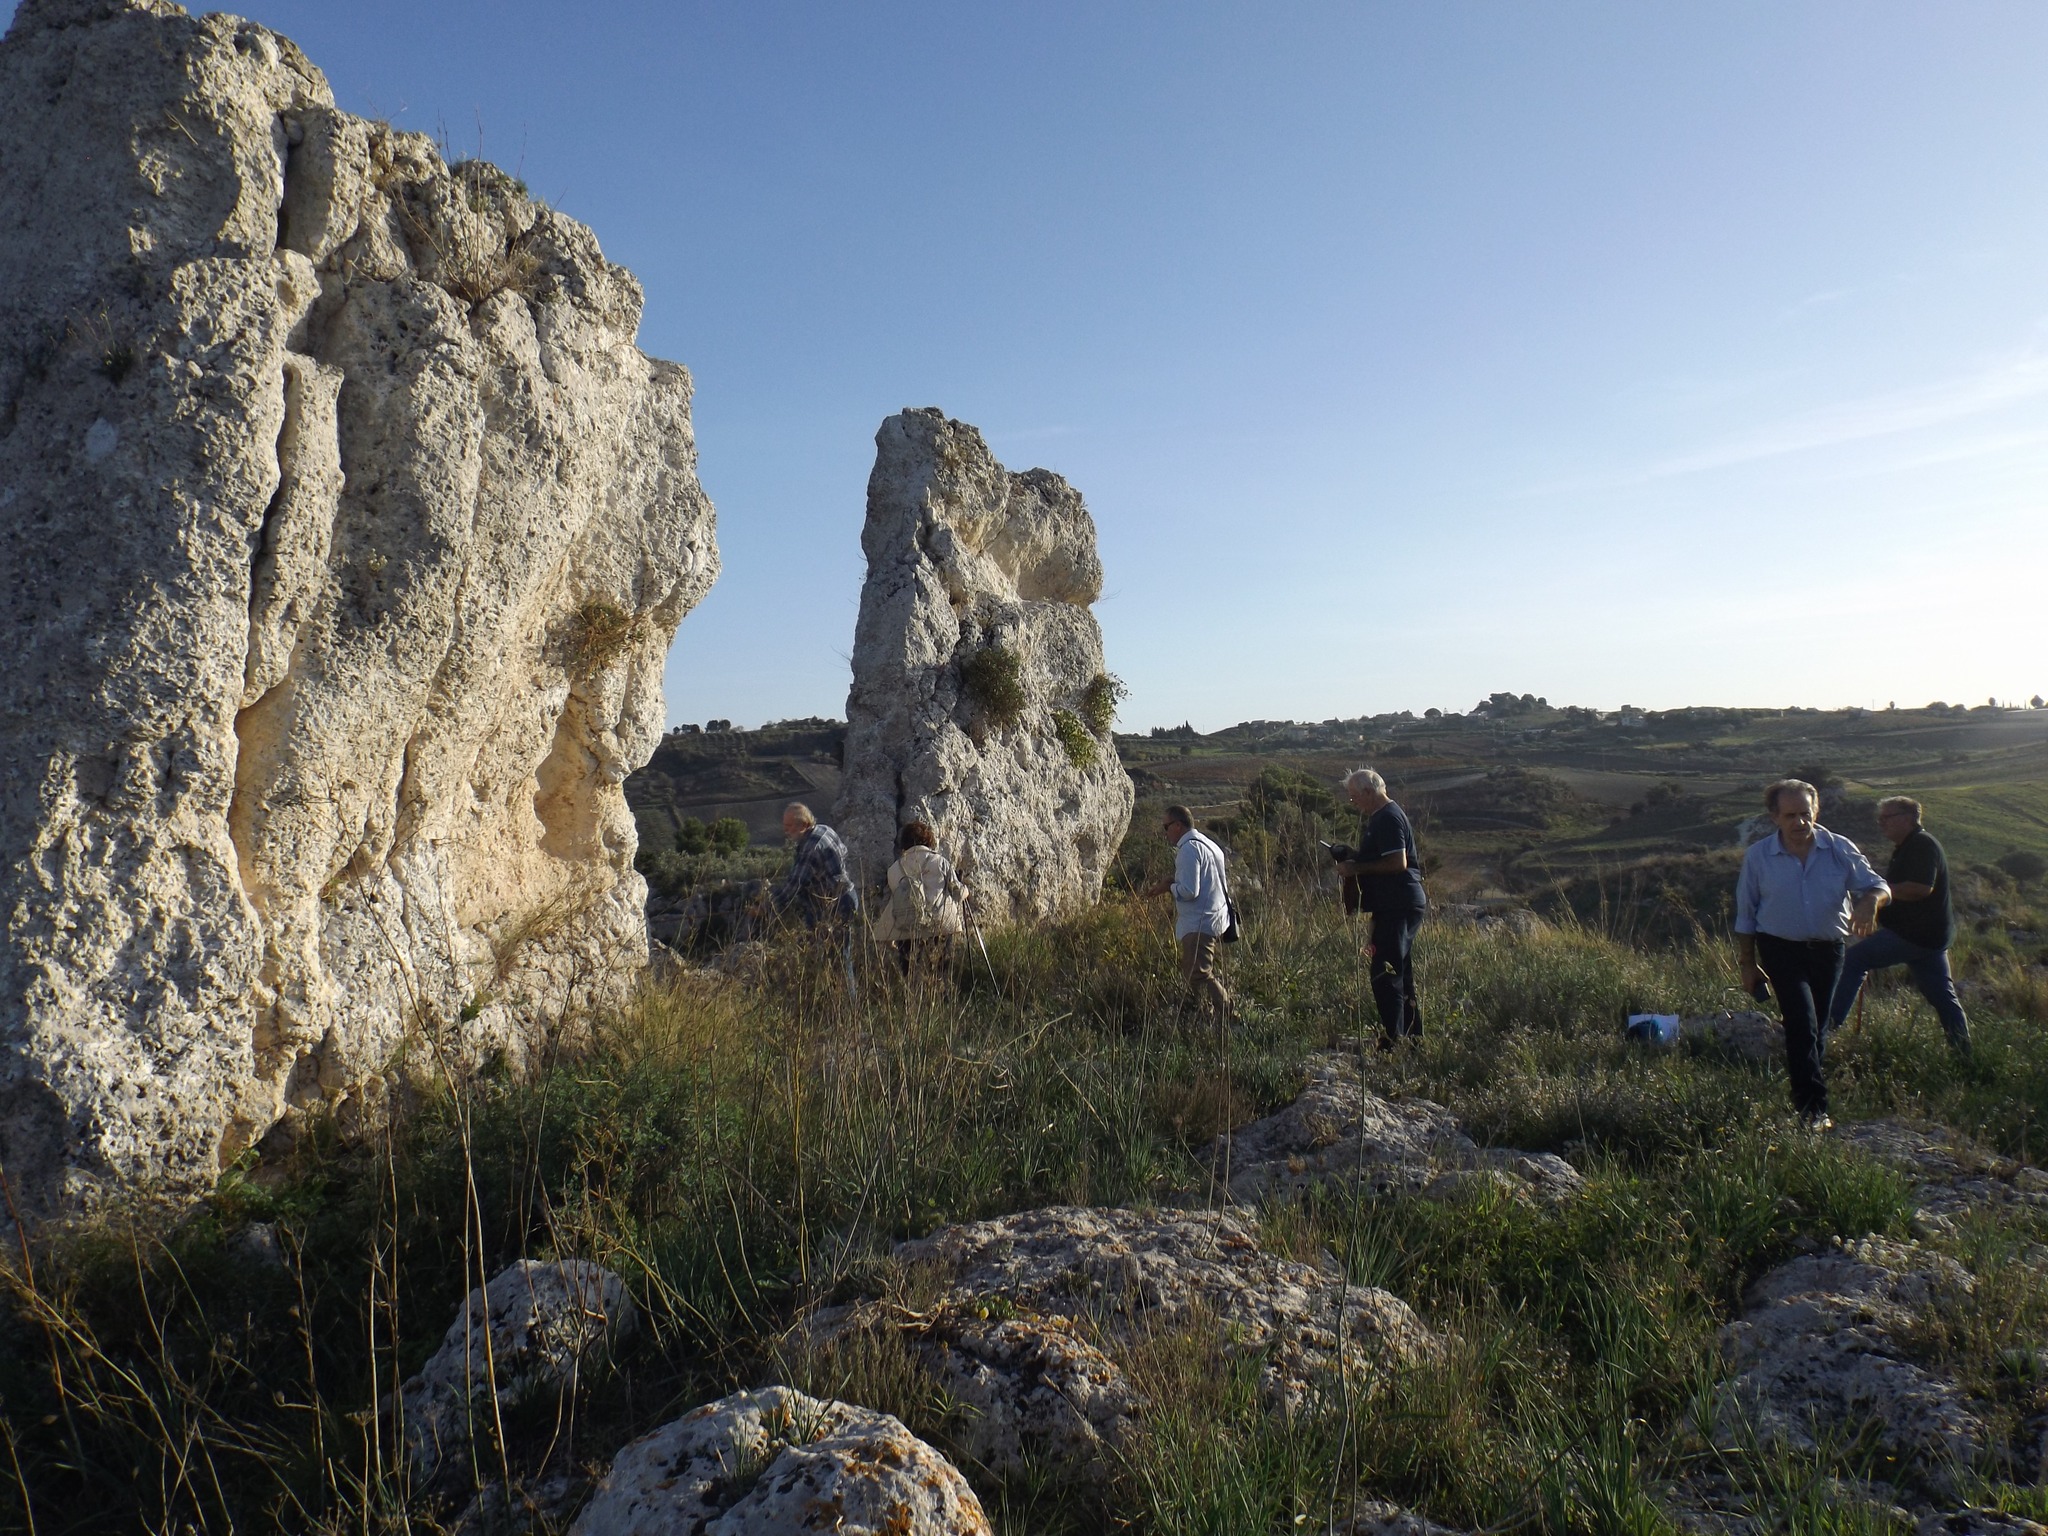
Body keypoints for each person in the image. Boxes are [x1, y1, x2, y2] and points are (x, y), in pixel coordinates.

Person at [1735, 778, 1889, 1128]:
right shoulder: (1759, 856)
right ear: (1774, 817)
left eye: (1806, 813)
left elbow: (1878, 885)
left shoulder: (1838, 848)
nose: (1800, 822)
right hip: (1779, 948)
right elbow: (1746, 914)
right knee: (1801, 1023)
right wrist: (1748, 964)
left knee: (1818, 1026)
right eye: (1790, 815)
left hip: (1828, 950)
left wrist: (1870, 902)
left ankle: (1807, 1098)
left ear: (1816, 811)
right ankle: (1812, 1110)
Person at [1825, 796, 1970, 1055]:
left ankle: (1829, 1027)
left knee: (1855, 960)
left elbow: (1920, 888)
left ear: (1907, 818)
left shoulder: (1922, 845)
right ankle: (1964, 1053)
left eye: (1886, 817)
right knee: (1941, 995)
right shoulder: (1910, 845)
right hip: (1931, 937)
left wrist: (1879, 892)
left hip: (1914, 935)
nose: (1880, 823)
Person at [1329, 768, 1427, 1044]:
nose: (1353, 803)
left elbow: (1397, 862)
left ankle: (1395, 1040)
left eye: (1354, 797)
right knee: (1399, 972)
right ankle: (1412, 1039)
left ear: (1369, 792)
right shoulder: (1382, 817)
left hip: (1398, 903)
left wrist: (1356, 867)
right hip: (1395, 904)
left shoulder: (1388, 818)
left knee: (1385, 973)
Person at [1144, 804, 1232, 1026]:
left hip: (1199, 922)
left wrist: (1169, 887)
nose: (1165, 833)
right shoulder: (1209, 845)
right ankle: (1205, 1017)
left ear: (1177, 825)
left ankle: (1229, 1015)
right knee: (1197, 973)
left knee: (1199, 973)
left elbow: (1190, 891)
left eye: (1166, 827)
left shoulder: (1188, 849)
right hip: (1216, 918)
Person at [874, 821, 969, 980]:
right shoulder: (940, 862)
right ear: (929, 840)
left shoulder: (894, 869)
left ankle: (910, 993)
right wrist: (966, 890)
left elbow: (891, 901)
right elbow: (958, 893)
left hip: (907, 927)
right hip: (939, 924)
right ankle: (941, 992)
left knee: (909, 973)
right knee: (941, 971)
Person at [767, 802, 857, 930]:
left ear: (803, 825)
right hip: (847, 896)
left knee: (825, 942)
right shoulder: (824, 829)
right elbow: (844, 852)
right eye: (785, 825)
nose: (785, 830)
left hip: (835, 906)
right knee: (840, 942)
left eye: (789, 826)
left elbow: (793, 886)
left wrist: (768, 903)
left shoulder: (810, 847)